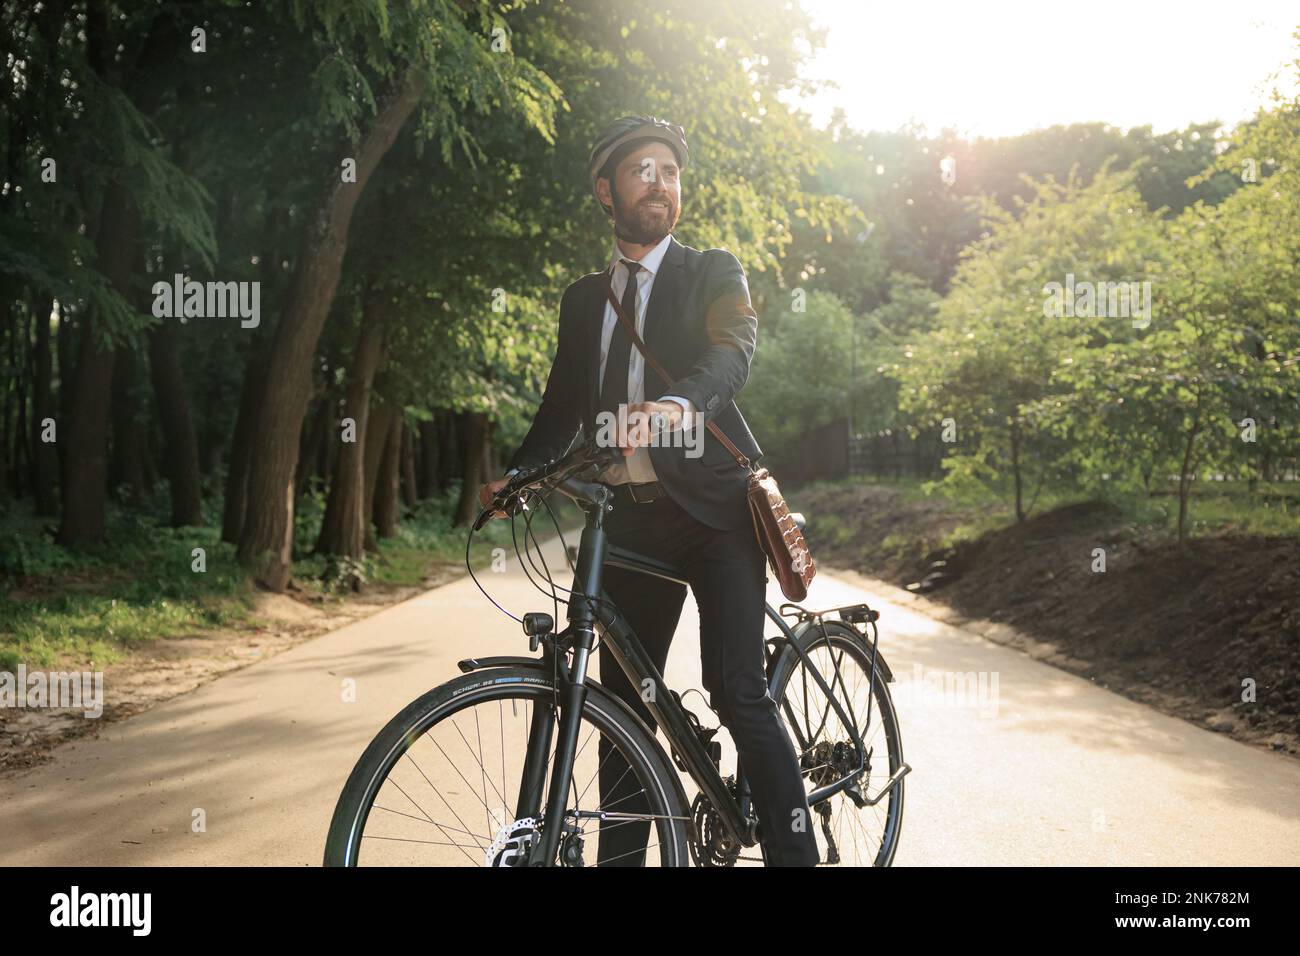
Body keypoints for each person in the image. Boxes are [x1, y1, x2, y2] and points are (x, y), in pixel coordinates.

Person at [478, 115, 819, 867]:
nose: (661, 182)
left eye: (670, 170)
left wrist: (676, 406)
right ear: (606, 191)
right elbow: (563, 405)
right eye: (643, 171)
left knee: (736, 691)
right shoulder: (582, 299)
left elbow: (733, 354)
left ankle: (796, 853)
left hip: (715, 516)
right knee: (619, 709)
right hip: (625, 523)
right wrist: (521, 476)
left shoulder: (712, 271)